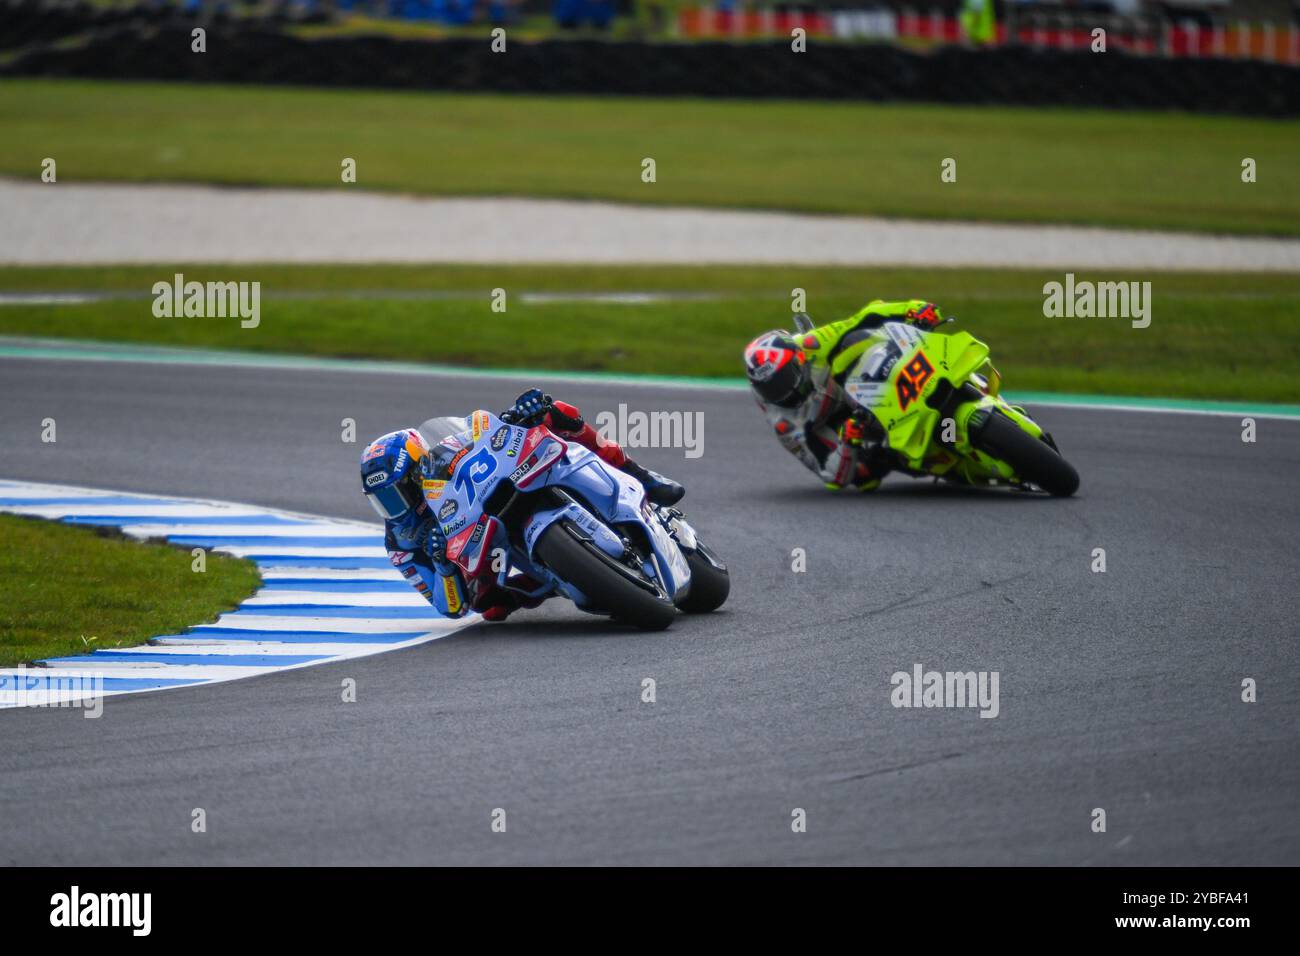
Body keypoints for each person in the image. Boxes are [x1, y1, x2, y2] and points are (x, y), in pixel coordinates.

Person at [359, 389, 683, 621]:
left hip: (502, 485)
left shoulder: (444, 453)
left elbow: (484, 436)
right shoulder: (401, 543)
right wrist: (443, 567)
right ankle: (559, 578)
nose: (394, 510)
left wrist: (518, 417)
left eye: (394, 496)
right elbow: (450, 607)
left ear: (416, 474)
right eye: (381, 502)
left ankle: (640, 474)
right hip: (486, 546)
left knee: (555, 411)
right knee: (490, 608)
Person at [742, 299, 946, 491]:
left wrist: (912, 310)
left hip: (857, 383)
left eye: (785, 378)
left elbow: (865, 317)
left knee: (856, 339)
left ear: (800, 359)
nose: (784, 391)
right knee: (863, 476)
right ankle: (910, 453)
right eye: (771, 388)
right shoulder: (783, 423)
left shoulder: (814, 344)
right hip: (841, 421)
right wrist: (848, 443)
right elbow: (830, 476)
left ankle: (928, 371)